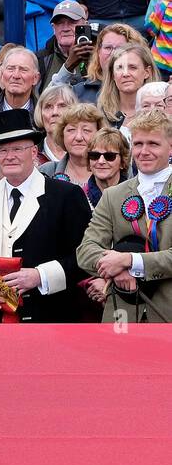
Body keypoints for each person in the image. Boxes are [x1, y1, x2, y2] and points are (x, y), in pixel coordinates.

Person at [0, 109, 89, 323]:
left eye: (17, 149)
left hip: (52, 320)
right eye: (2, 150)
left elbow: (85, 257)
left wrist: (40, 276)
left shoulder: (66, 195)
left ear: (33, 152)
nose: (9, 156)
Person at [77, 109, 172, 322]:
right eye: (138, 144)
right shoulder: (113, 195)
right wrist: (116, 269)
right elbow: (85, 251)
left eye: (153, 144)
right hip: (123, 316)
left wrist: (130, 261)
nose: (144, 151)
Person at [39, 103, 104, 187]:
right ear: (62, 134)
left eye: (86, 130)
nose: (78, 137)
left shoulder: (111, 171)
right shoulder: (46, 172)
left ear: (99, 134)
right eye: (71, 130)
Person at [98, 42, 158, 129]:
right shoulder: (100, 115)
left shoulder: (163, 110)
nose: (125, 74)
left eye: (132, 67)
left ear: (147, 72)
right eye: (119, 68)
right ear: (113, 75)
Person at [37, 0, 88, 86]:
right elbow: (39, 98)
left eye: (72, 22)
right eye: (60, 23)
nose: (65, 28)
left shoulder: (98, 55)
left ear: (85, 25)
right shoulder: (40, 60)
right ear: (53, 28)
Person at [0, 45, 41, 115]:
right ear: (2, 75)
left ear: (35, 78)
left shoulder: (44, 117)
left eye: (23, 70)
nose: (16, 76)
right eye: (10, 69)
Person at [34, 83, 78, 164]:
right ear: (40, 113)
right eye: (48, 106)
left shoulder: (85, 153)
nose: (55, 112)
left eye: (62, 106)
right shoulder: (30, 153)